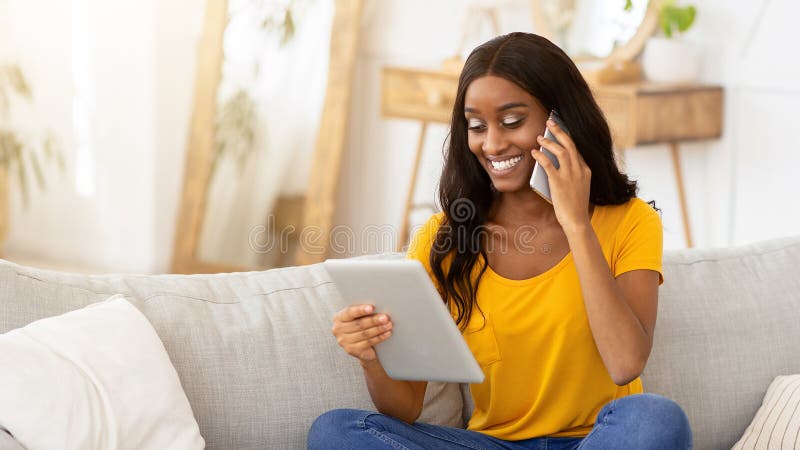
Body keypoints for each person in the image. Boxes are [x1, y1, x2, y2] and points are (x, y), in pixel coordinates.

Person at [308, 32, 692, 450]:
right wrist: (372, 357)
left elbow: (625, 363)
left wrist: (576, 224)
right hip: (493, 445)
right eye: (476, 126)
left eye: (511, 121)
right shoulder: (444, 238)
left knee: (655, 418)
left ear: (561, 121)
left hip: (596, 441)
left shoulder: (630, 221)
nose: (491, 143)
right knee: (336, 431)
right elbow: (404, 407)